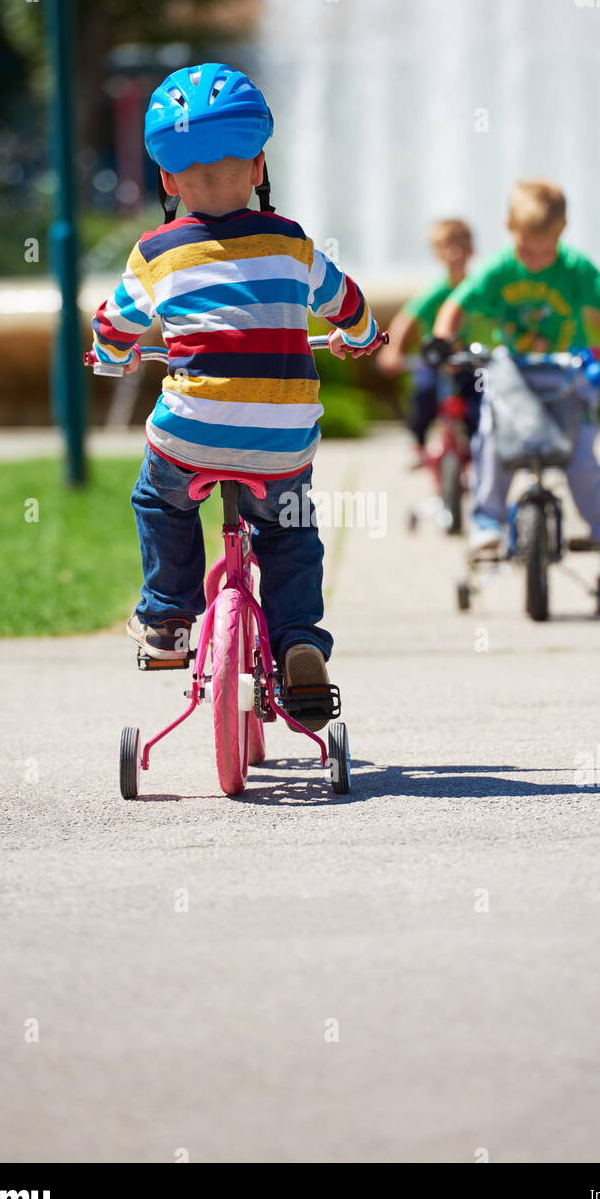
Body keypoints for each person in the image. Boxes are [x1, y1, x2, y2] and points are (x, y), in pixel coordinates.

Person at [91, 63, 380, 728]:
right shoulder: (291, 243)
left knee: (157, 499)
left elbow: (113, 325)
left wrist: (113, 357)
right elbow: (350, 307)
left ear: (166, 179)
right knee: (288, 532)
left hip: (193, 431)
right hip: (280, 440)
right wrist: (358, 337)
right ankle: (299, 640)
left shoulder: (157, 252)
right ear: (257, 165)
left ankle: (166, 618)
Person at [433, 180, 600, 616]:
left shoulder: (574, 267)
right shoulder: (500, 268)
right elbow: (457, 304)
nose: (537, 260)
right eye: (528, 250)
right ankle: (487, 521)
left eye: (546, 251)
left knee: (583, 464)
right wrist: (441, 339)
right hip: (514, 377)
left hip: (566, 378)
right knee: (489, 439)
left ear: (562, 232)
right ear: (510, 230)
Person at [379, 219, 480, 464]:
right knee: (424, 393)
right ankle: (418, 442)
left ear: (471, 250)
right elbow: (406, 319)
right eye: (447, 247)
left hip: (467, 359)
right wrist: (392, 350)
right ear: (437, 254)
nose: (455, 253)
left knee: (478, 402)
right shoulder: (436, 289)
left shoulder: (479, 288)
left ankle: (480, 446)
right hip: (435, 358)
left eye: (461, 246)